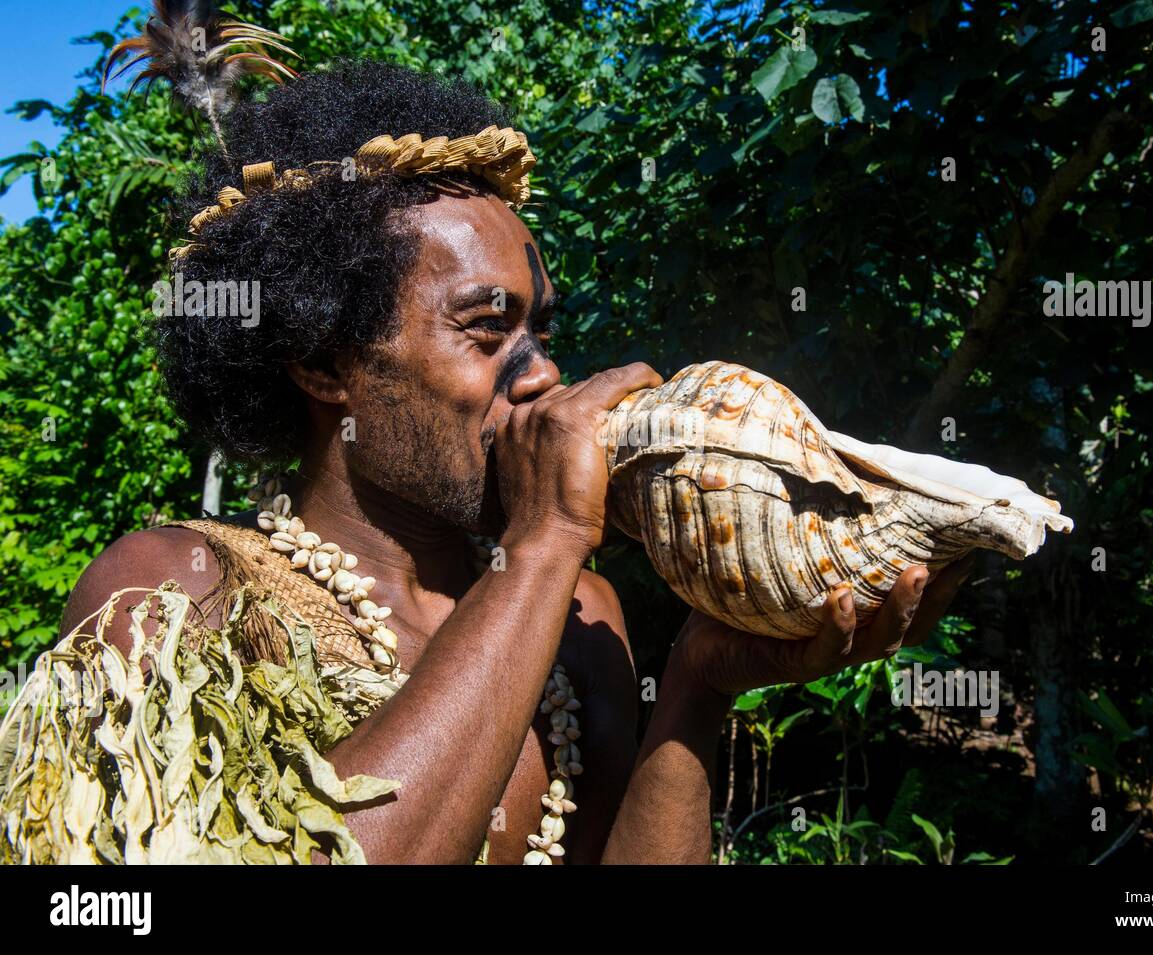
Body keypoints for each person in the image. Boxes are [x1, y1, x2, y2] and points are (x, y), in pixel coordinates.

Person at [10, 59, 971, 865]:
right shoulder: (174, 594)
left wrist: (698, 683)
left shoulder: (582, 618)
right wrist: (549, 537)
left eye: (540, 328)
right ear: (321, 360)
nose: (542, 371)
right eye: (485, 327)